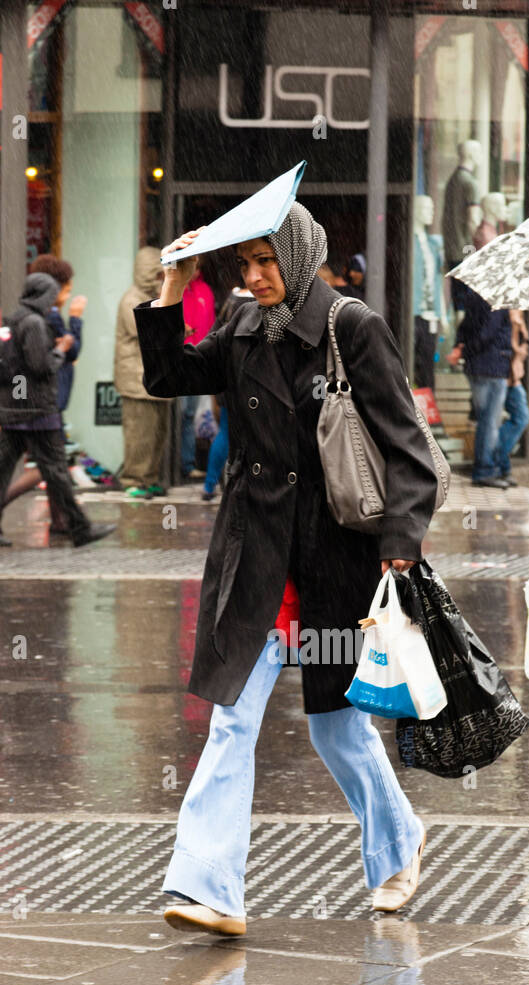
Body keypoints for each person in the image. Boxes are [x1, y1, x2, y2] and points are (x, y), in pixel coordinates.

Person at [135, 202, 438, 937]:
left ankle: (399, 842)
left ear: (300, 256)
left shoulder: (351, 327)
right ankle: (208, 888)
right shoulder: (242, 324)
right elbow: (169, 375)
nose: (256, 276)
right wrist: (173, 287)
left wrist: (401, 546)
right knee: (233, 720)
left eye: (268, 262)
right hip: (258, 554)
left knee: (337, 732)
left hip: (336, 557)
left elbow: (408, 448)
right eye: (246, 264)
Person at [0, 272, 115, 548]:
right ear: (45, 296)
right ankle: (79, 528)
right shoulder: (34, 323)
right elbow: (40, 366)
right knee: (56, 470)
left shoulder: (16, 318)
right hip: (35, 412)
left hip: (14, 409)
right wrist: (62, 349)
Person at [1, 254, 87, 533]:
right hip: (48, 401)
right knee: (51, 465)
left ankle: (61, 521)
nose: (68, 293)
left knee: (53, 464)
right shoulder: (46, 318)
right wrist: (75, 322)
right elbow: (63, 354)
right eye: (65, 288)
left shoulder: (41, 316)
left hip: (47, 400)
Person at [114, 247, 171, 498]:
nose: (161, 278)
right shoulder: (131, 300)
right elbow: (147, 332)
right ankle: (133, 481)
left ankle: (149, 479)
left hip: (152, 378)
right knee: (139, 435)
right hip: (136, 379)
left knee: (157, 434)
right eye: (158, 273)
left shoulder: (152, 297)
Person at [447, 284, 511, 487]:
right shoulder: (497, 298)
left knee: (485, 420)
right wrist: (464, 351)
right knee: (489, 422)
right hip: (492, 365)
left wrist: (461, 347)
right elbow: (488, 332)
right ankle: (484, 469)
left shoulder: (474, 294)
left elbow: (466, 326)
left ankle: (487, 467)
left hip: (477, 366)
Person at [200, 286, 254, 501]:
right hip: (248, 381)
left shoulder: (232, 298)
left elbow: (215, 335)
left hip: (227, 377)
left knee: (225, 432)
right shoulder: (257, 302)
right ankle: (238, 486)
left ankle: (209, 485)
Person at [178, 258, 217, 480]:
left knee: (191, 414)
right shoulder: (175, 290)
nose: (194, 272)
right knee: (180, 414)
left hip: (198, 359)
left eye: (197, 268)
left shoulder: (204, 291)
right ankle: (180, 463)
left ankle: (187, 463)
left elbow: (211, 325)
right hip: (179, 358)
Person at [492, 308, 529, 487]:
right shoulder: (511, 313)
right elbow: (510, 345)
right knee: (521, 418)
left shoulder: (518, 314)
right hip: (508, 376)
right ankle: (497, 460)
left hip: (513, 375)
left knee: (519, 418)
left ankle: (501, 464)